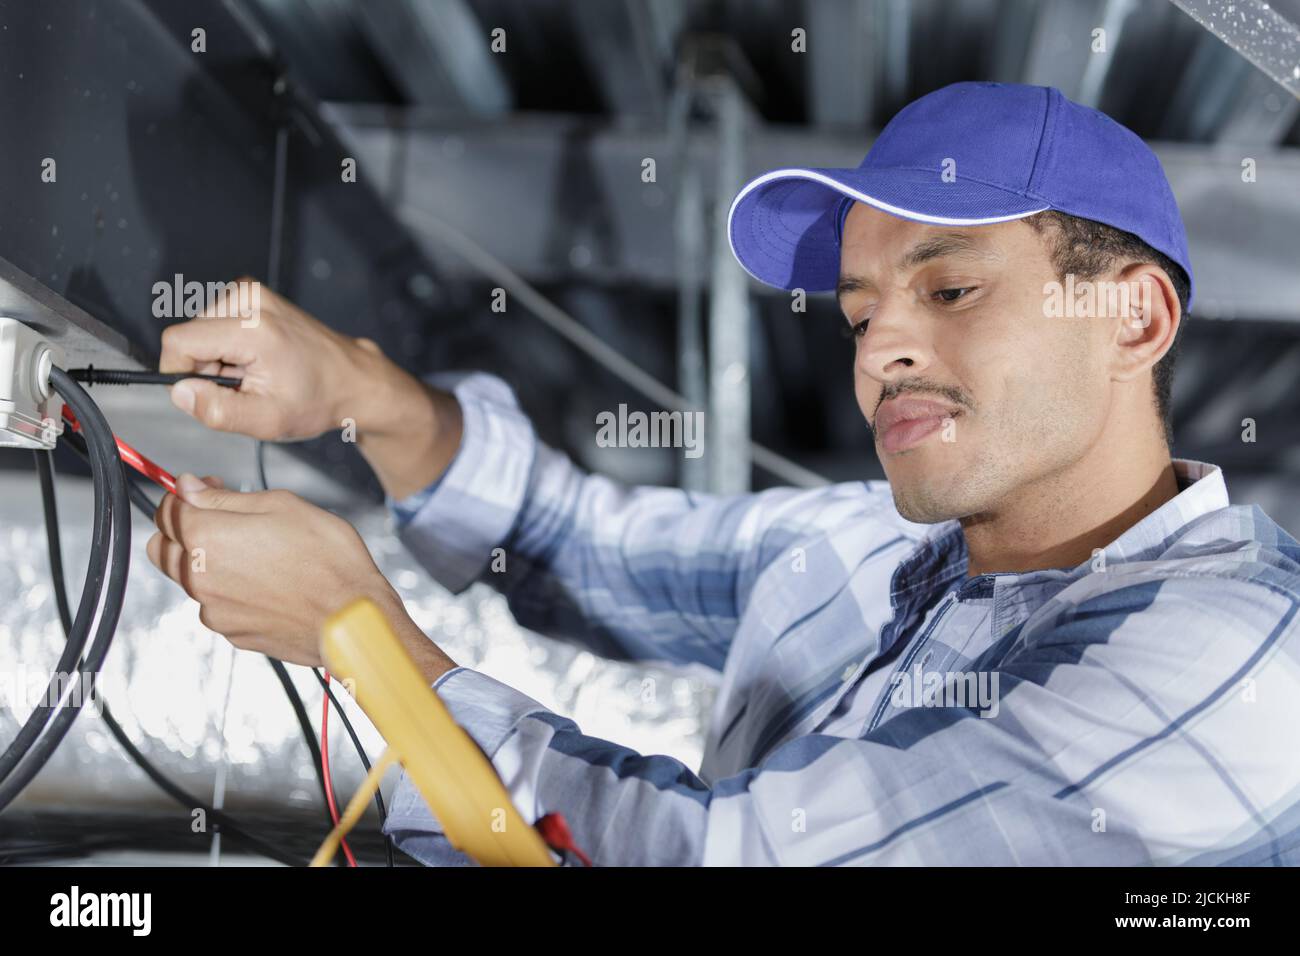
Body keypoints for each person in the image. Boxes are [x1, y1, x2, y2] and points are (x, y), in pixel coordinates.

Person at [149, 82, 1300, 865]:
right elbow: (571, 540)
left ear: (1133, 317)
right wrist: (359, 391)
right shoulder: (867, 551)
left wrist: (365, 638)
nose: (879, 349)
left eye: (948, 290)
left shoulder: (1241, 662)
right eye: (859, 313)